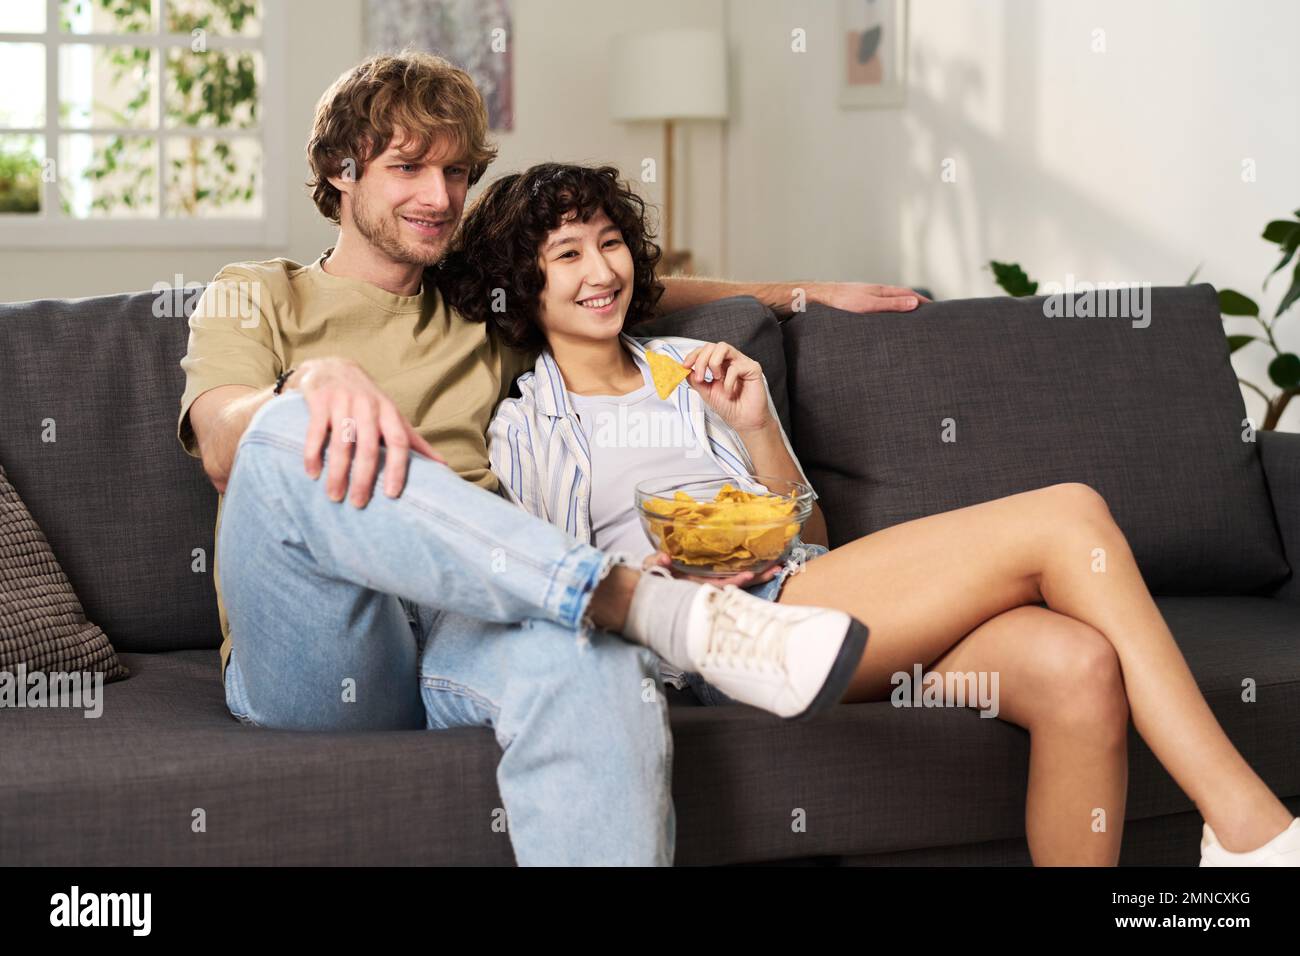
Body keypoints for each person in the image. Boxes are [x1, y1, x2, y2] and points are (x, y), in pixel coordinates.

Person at [176, 52, 916, 865]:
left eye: (456, 171)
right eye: (407, 166)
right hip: (323, 642)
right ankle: (637, 602)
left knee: (596, 665)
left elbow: (626, 288)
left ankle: (622, 614)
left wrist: (803, 295)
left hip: (474, 615)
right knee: (286, 429)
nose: (438, 196)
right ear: (338, 171)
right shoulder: (257, 292)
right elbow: (222, 442)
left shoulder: (480, 305)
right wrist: (308, 384)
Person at [457, 161, 1300, 868]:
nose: (600, 272)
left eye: (608, 244)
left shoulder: (689, 366)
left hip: (805, 594)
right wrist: (643, 582)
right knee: (1069, 514)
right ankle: (1251, 831)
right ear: (524, 288)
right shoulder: (527, 425)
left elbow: (810, 537)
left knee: (1077, 668)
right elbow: (555, 584)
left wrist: (755, 428)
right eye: (566, 254)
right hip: (720, 641)